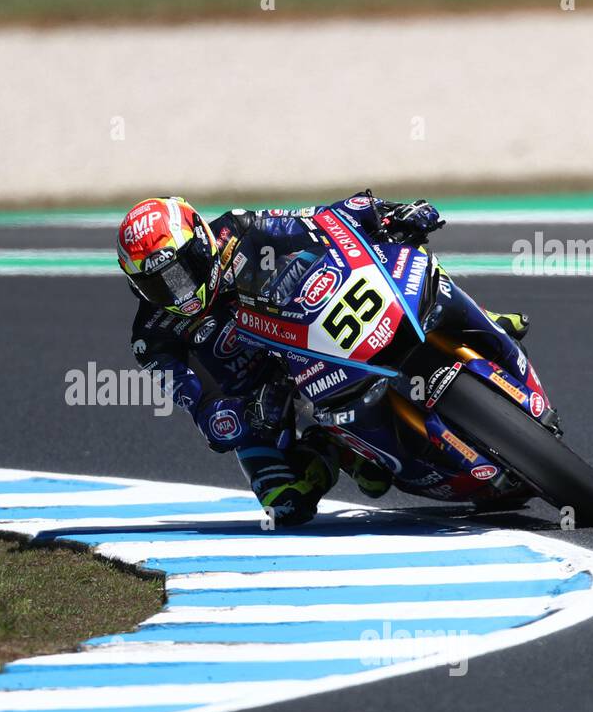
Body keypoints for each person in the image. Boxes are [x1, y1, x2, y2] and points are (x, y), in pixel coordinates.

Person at [117, 192, 529, 526]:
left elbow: (316, 221)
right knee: (286, 506)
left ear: (201, 240)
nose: (179, 290)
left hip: (313, 329)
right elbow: (201, 407)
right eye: (158, 285)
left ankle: (479, 320)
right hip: (264, 395)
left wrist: (382, 213)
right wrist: (241, 414)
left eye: (182, 270)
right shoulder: (153, 337)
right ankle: (340, 450)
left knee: (402, 252)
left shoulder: (238, 228)